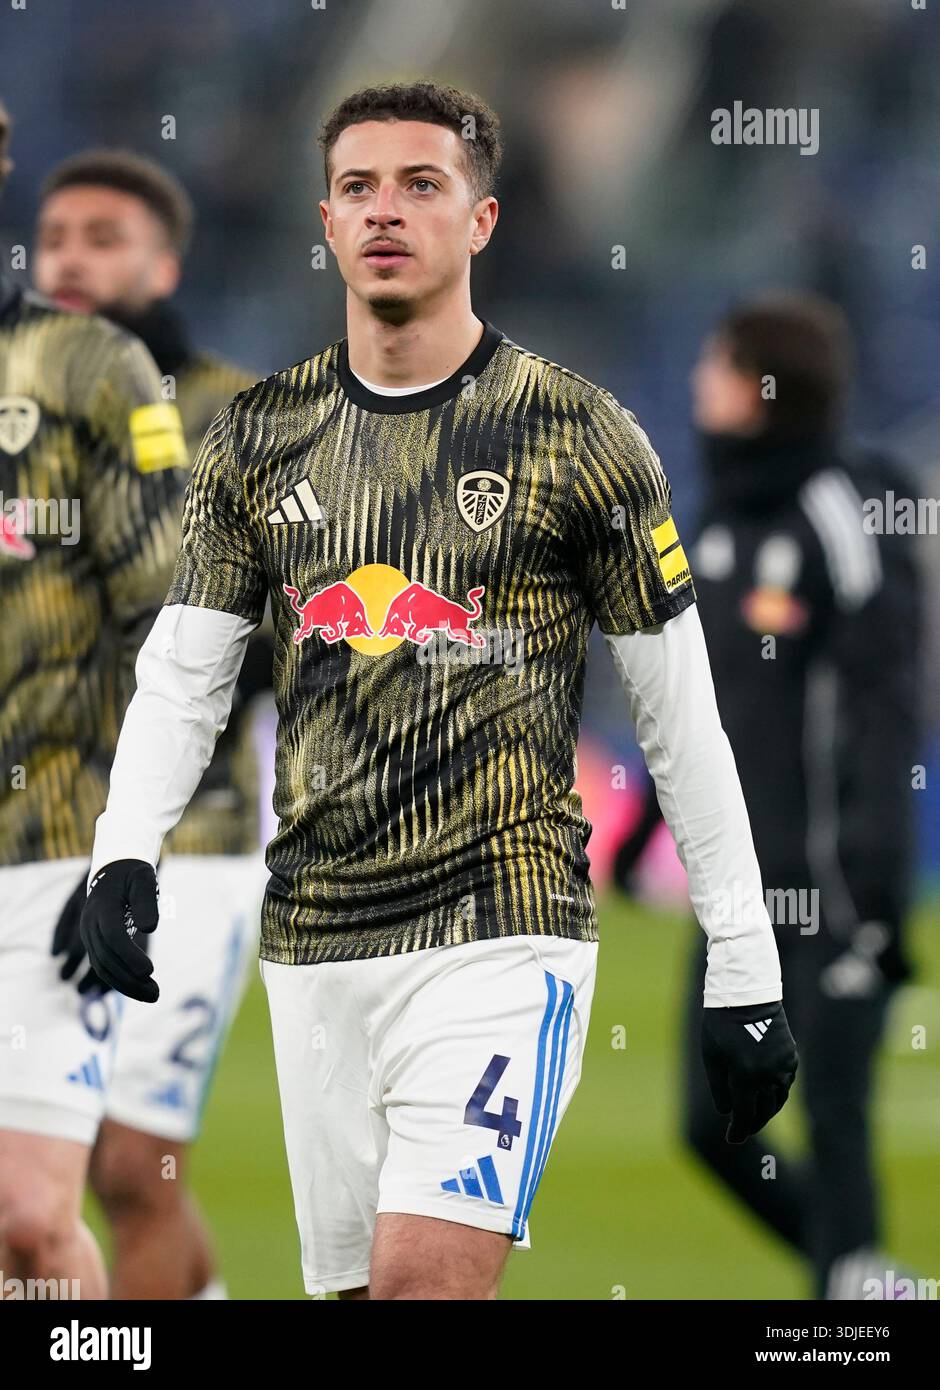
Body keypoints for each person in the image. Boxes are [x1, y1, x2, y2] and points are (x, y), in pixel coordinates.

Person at [80, 80, 797, 1302]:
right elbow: (183, 676)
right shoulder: (256, 438)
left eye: (422, 184)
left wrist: (744, 959)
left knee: (426, 1285)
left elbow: (681, 721)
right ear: (324, 218)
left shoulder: (578, 436)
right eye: (358, 187)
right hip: (313, 940)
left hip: (500, 931)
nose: (385, 212)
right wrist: (123, 854)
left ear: (482, 219)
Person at [614, 293, 922, 1299]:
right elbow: (694, 711)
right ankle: (858, 1282)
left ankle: (852, 1286)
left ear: (759, 385)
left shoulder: (846, 510)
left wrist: (873, 893)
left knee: (835, 1125)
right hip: (737, 892)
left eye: (715, 363)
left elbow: (885, 712)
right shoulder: (707, 522)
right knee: (712, 1125)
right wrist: (646, 833)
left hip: (830, 887)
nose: (698, 381)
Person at [33, 148, 269, 1300]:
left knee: (132, 1162)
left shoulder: (241, 415)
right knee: (45, 1171)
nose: (72, 256)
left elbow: (292, 617)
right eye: (56, 234)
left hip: (197, 832)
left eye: (104, 237)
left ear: (164, 262)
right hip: (34, 830)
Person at [0, 101, 188, 1300]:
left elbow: (170, 627)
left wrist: (126, 850)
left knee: (28, 1216)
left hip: (46, 837)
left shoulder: (86, 365)